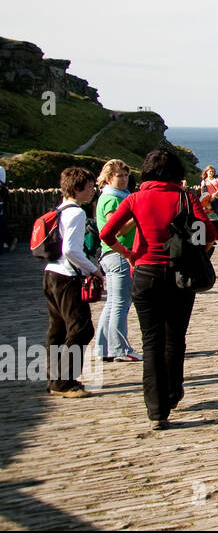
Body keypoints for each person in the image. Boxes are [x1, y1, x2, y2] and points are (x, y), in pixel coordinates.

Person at [100, 148, 215, 430]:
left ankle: (156, 409)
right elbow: (208, 234)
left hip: (145, 274)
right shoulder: (185, 198)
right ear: (177, 173)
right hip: (180, 275)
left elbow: (106, 233)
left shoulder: (136, 199)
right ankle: (173, 393)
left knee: (151, 341)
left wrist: (128, 253)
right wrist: (196, 248)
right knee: (175, 338)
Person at [44, 167, 103, 398]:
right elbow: (70, 249)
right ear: (78, 189)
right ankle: (65, 381)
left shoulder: (60, 209)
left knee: (57, 330)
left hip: (51, 273)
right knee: (81, 328)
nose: (93, 191)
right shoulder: (77, 213)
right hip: (67, 276)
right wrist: (93, 269)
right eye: (90, 187)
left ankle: (54, 377)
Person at [93, 159, 141, 363]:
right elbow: (117, 229)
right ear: (108, 177)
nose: (123, 179)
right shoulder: (112, 200)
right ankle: (120, 348)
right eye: (119, 176)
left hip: (112, 254)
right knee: (121, 302)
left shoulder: (115, 196)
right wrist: (137, 216)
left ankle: (103, 347)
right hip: (119, 253)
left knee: (113, 303)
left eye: (125, 175)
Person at [199, 165, 218, 231]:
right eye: (210, 171)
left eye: (213, 172)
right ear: (207, 172)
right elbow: (202, 191)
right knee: (214, 216)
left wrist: (214, 195)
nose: (212, 173)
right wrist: (205, 201)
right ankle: (216, 231)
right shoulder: (204, 181)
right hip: (210, 200)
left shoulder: (217, 179)